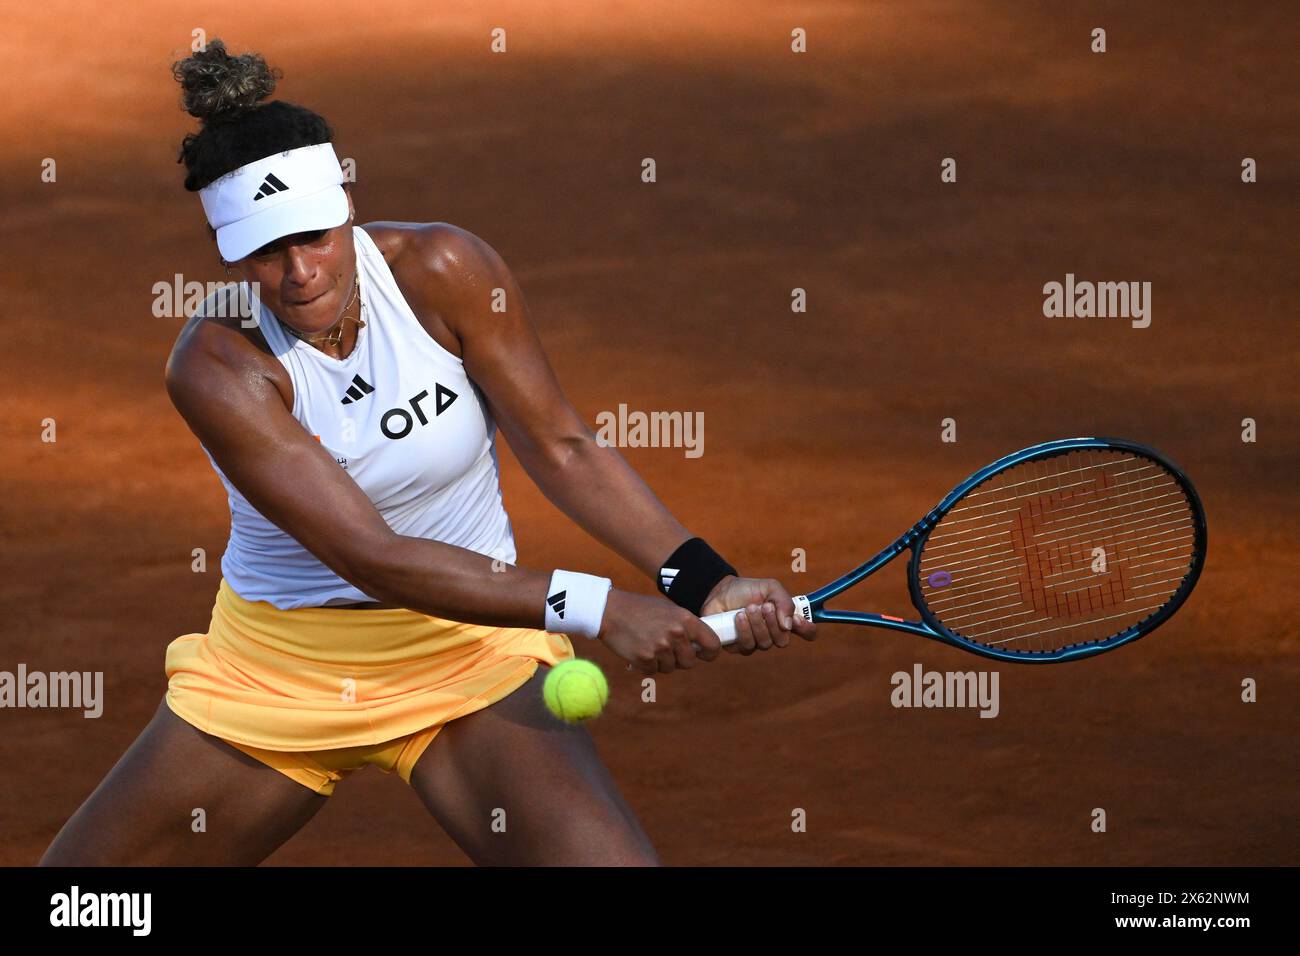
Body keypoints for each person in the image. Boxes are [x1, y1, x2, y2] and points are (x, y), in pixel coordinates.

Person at [39, 39, 815, 867]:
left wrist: (704, 579)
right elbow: (374, 556)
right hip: (281, 668)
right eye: (266, 252)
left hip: (474, 645)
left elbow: (563, 446)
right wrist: (602, 607)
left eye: (315, 236)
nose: (300, 272)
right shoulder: (218, 367)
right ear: (230, 256)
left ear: (347, 203)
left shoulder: (444, 270)